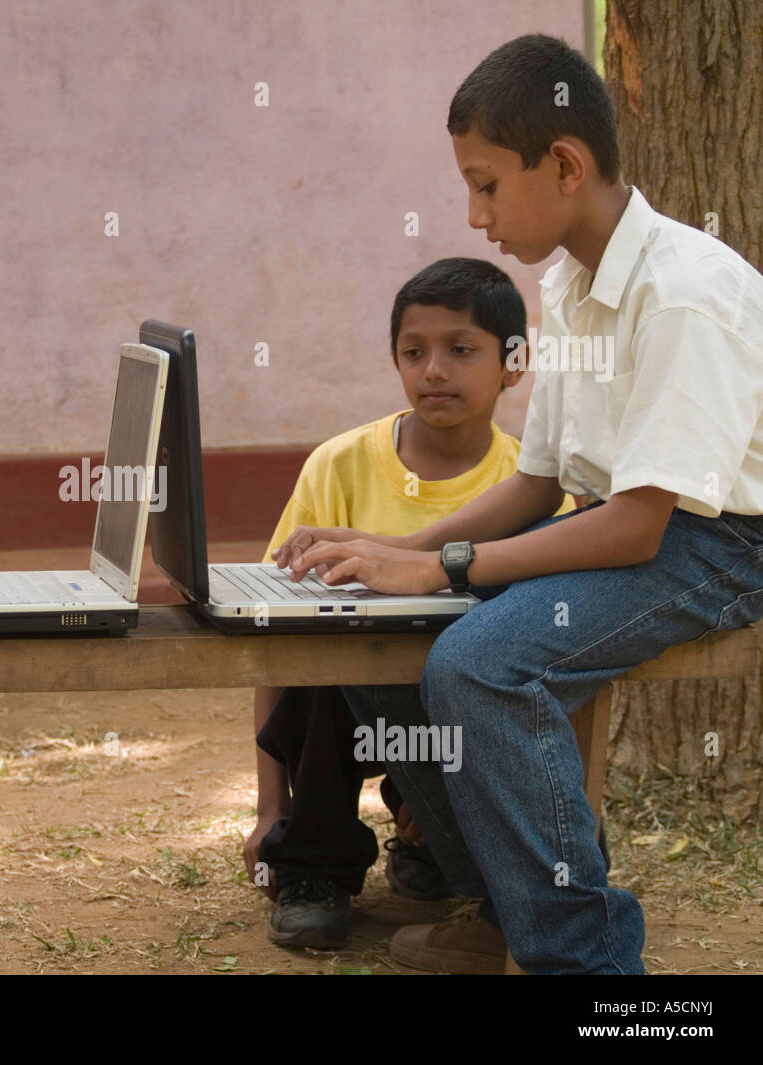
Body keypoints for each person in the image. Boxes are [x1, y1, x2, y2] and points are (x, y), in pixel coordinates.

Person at [280, 34, 763, 973]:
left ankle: (588, 968)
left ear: (567, 165)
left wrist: (443, 566)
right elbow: (539, 485)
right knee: (395, 634)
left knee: (480, 664)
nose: (475, 213)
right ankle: (508, 916)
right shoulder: (573, 282)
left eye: (488, 184)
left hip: (721, 542)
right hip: (626, 523)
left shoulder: (681, 294)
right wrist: (397, 550)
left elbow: (639, 526)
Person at [244, 257, 575, 950]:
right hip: (339, 713)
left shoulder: (535, 487)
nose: (433, 371)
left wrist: (437, 779)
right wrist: (269, 807)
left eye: (461, 350)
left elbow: (553, 660)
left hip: (462, 724)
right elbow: (273, 646)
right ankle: (314, 864)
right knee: (330, 647)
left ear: (514, 363)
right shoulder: (338, 465)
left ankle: (429, 834)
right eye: (414, 352)